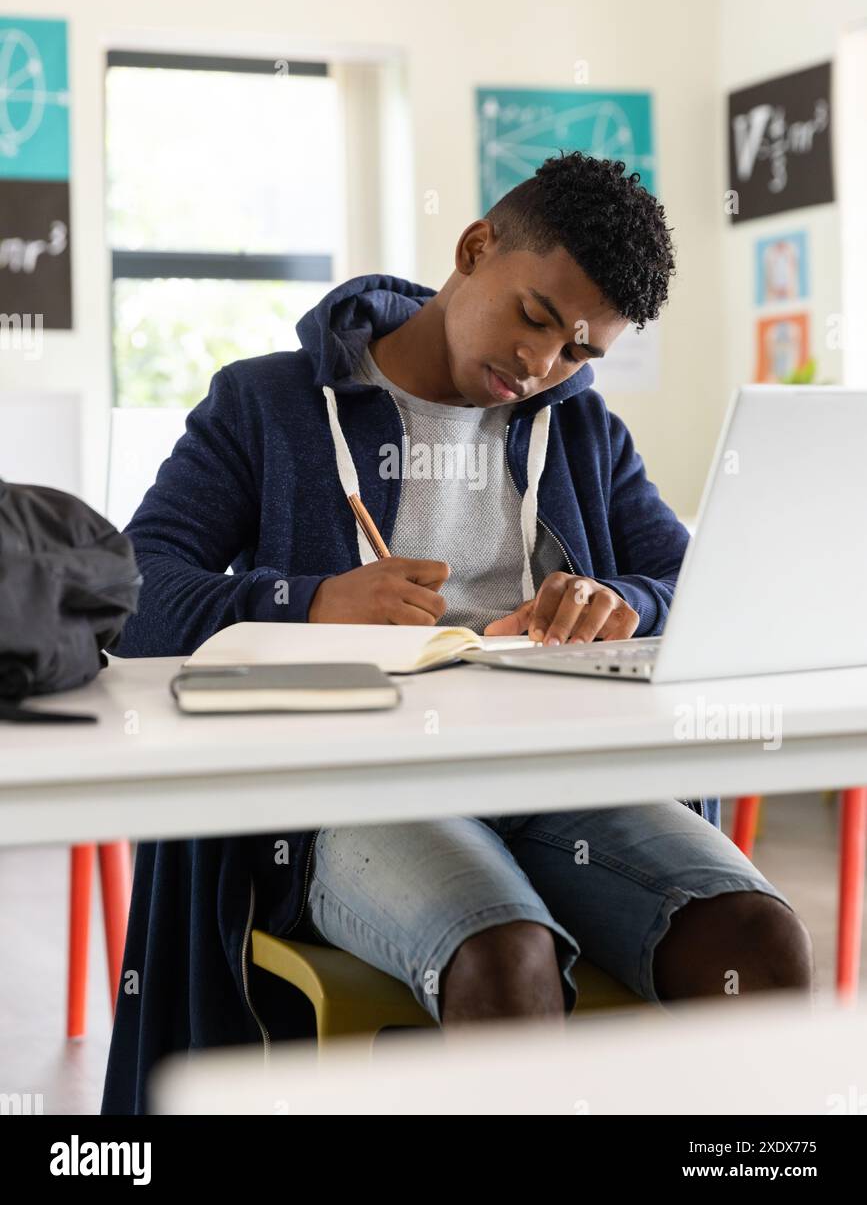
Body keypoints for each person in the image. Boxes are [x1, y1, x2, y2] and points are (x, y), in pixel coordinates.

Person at [101, 152, 812, 1114]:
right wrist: (307, 601)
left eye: (578, 350)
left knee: (760, 944)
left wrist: (626, 603)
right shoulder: (265, 405)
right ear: (473, 247)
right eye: (533, 317)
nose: (541, 366)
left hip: (556, 783)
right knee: (503, 955)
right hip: (350, 791)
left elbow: (694, 578)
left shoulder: (584, 432)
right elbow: (135, 591)